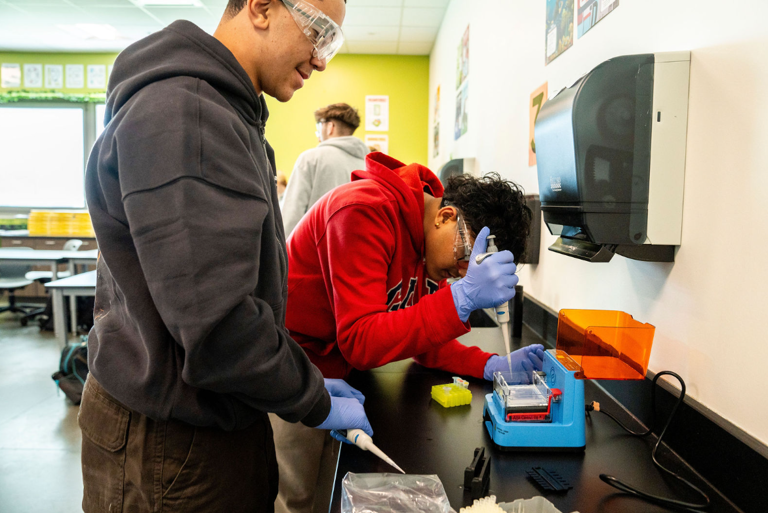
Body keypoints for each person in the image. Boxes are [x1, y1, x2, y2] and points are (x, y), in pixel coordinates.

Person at [80, 1, 372, 512]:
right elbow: (220, 328)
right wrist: (313, 396)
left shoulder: (227, 113)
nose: (321, 59)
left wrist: (294, 377)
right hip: (170, 437)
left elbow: (225, 290)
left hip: (207, 414)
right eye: (318, 31)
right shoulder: (188, 114)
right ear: (260, 7)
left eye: (332, 42)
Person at [270, 152, 544, 512]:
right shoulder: (362, 212)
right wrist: (458, 300)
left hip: (341, 379)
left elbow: (425, 336)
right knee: (296, 500)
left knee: (329, 498)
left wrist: (491, 364)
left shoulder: (430, 249)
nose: (463, 273)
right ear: (446, 217)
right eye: (467, 259)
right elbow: (360, 341)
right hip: (293, 366)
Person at [280, 102, 369, 235]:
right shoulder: (367, 165)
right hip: (353, 244)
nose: (317, 133)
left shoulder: (311, 159)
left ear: (329, 127)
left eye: (319, 125)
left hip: (314, 245)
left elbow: (291, 213)